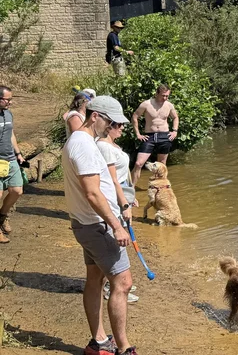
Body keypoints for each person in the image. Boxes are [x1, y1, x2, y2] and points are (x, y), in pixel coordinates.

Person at [62, 95, 137, 355]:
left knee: (95, 278)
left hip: (87, 223)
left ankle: (99, 342)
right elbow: (93, 193)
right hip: (97, 225)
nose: (113, 127)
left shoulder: (82, 141)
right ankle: (124, 348)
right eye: (111, 121)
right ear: (95, 116)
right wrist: (116, 225)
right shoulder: (83, 144)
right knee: (123, 283)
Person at [96, 114, 139, 304]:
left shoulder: (112, 143)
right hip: (114, 198)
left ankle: (116, 282)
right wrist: (124, 204)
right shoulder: (104, 146)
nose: (122, 128)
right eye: (119, 125)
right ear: (109, 126)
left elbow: (123, 175)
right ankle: (113, 286)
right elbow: (113, 179)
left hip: (122, 193)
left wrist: (131, 195)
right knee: (116, 243)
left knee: (119, 243)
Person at [130, 84, 179, 185]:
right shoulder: (146, 104)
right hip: (150, 136)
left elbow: (175, 117)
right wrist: (138, 134)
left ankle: (160, 188)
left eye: (167, 96)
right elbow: (135, 117)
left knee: (162, 166)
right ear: (157, 93)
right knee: (138, 163)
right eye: (163, 95)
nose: (165, 98)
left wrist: (175, 131)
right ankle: (130, 189)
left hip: (164, 136)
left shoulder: (169, 105)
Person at [0, 86, 25, 245]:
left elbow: (11, 134)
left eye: (11, 99)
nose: (10, 102)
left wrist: (18, 154)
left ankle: (2, 216)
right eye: (7, 99)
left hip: (10, 159)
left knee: (17, 190)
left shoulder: (8, 114)